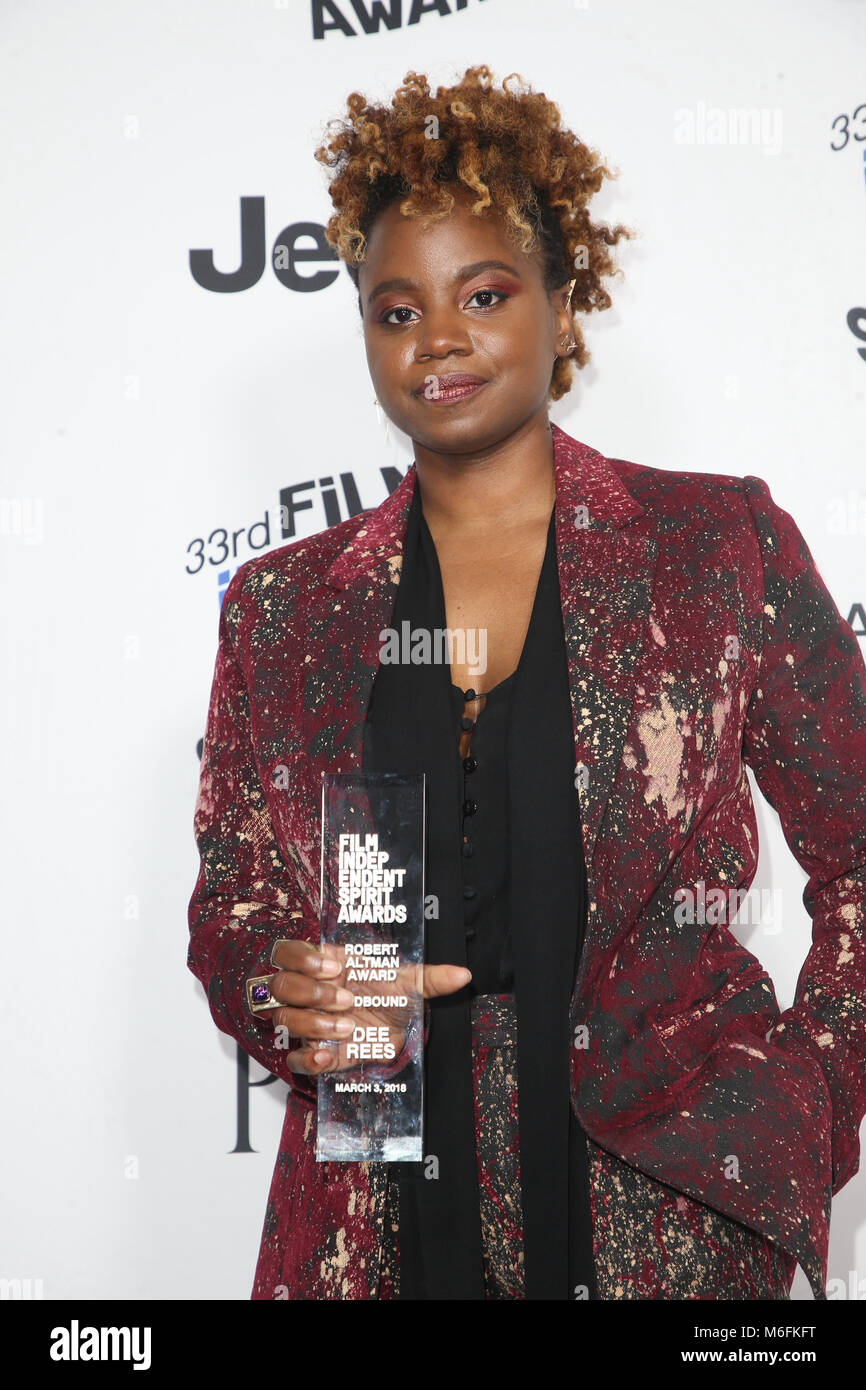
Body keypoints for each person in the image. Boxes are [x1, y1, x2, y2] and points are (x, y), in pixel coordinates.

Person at [187, 65, 866, 1301]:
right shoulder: (285, 609)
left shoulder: (711, 548)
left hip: (665, 1210)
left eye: (482, 294)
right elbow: (232, 900)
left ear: (563, 300)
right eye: (394, 312)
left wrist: (803, 1099)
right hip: (371, 1219)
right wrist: (280, 991)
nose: (436, 339)